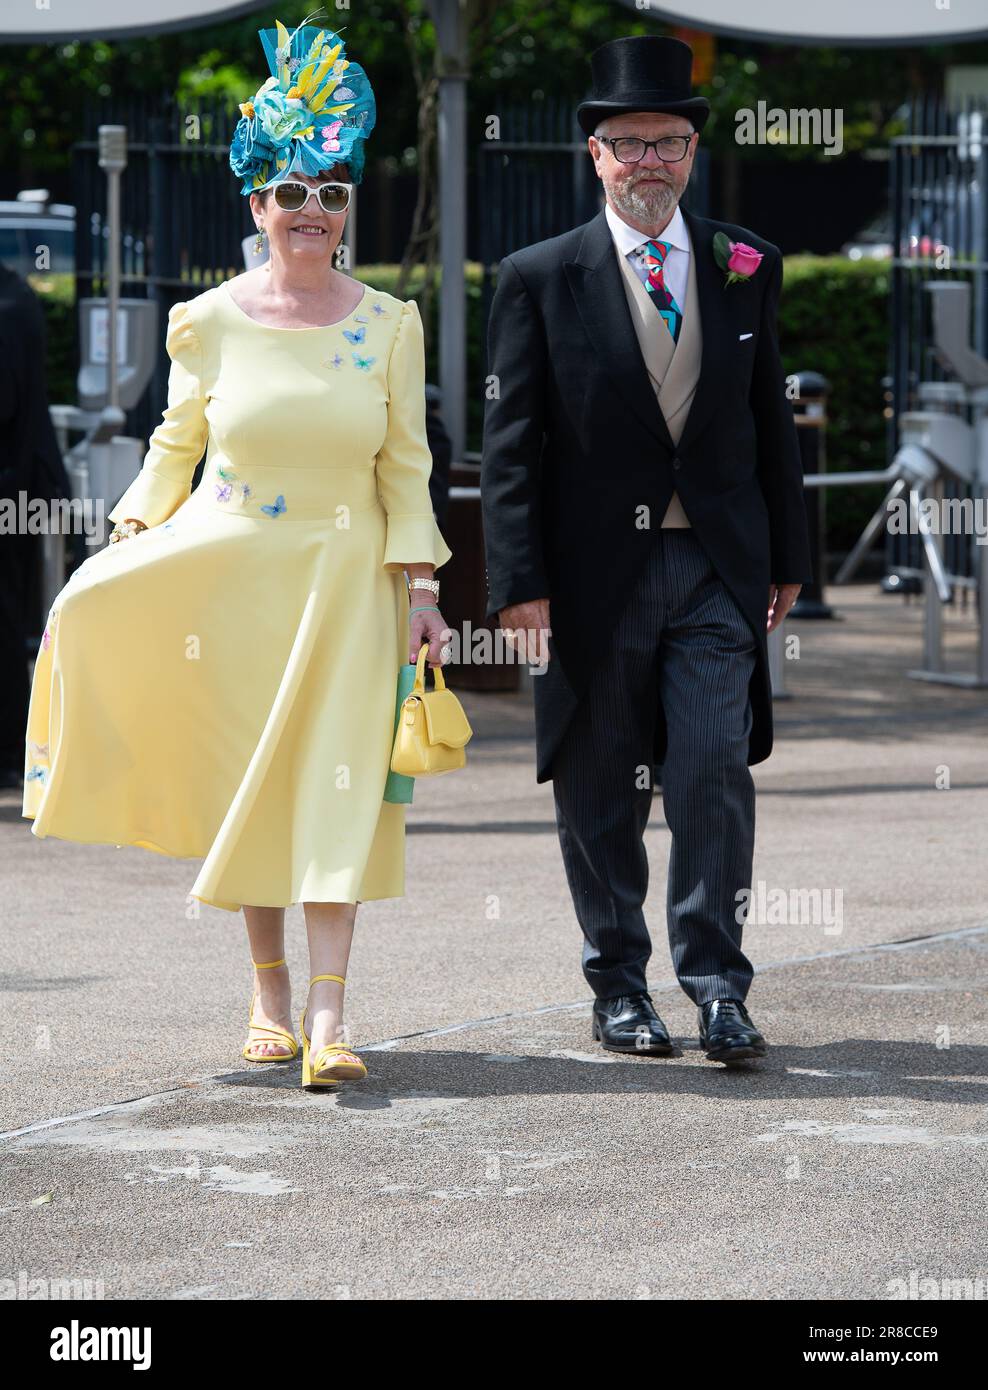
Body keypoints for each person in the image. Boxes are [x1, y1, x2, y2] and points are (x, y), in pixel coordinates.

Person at [22, 17, 453, 1089]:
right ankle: (267, 999)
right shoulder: (206, 320)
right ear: (256, 202)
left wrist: (423, 589)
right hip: (231, 582)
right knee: (258, 784)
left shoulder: (393, 324)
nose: (313, 211)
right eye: (291, 191)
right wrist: (127, 543)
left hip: (350, 589)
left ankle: (330, 1018)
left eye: (332, 193)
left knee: (338, 791)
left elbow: (406, 468)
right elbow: (176, 449)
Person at [480, 35, 813, 1065]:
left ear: (692, 150)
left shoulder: (745, 263)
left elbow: (768, 419)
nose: (648, 161)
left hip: (715, 568)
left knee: (712, 771)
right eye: (627, 143)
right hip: (591, 580)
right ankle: (618, 985)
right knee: (600, 788)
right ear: (595, 155)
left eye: (668, 140)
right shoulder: (539, 277)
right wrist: (518, 583)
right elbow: (510, 447)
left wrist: (788, 556)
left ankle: (717, 988)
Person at [0, 260, 71, 788]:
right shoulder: (16, 296)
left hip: (11, 483)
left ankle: (8, 751)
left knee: (6, 619)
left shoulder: (9, 304)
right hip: (20, 485)